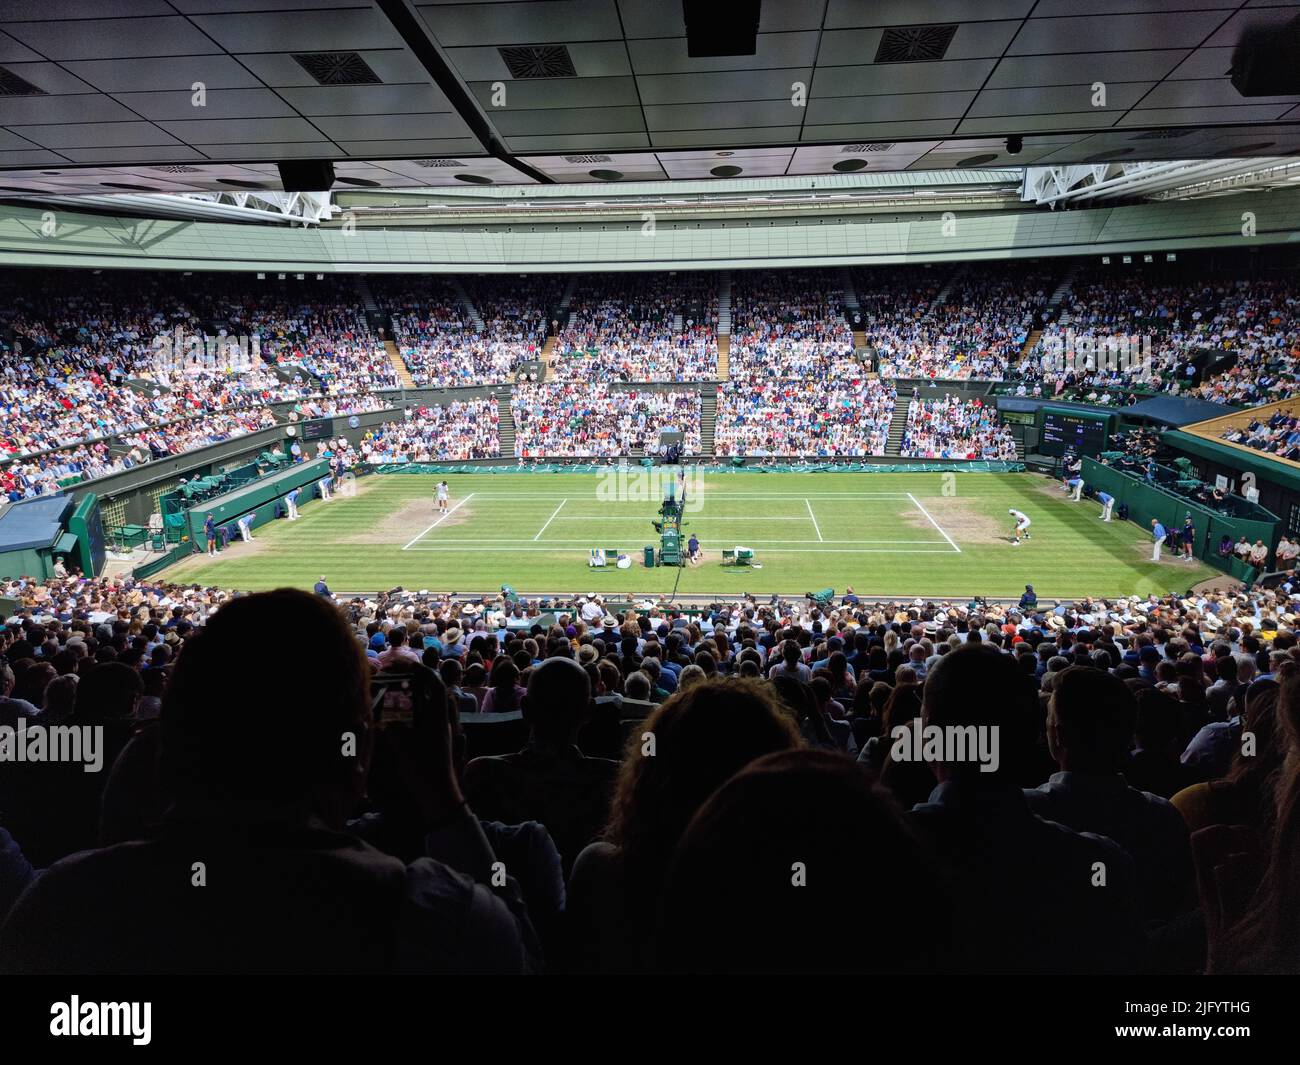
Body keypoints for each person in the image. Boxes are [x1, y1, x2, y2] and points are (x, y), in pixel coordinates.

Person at [0, 590, 539, 974]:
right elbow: (522, 949)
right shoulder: (443, 917)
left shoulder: (61, 904)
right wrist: (445, 802)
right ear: (359, 755)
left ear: (172, 737)